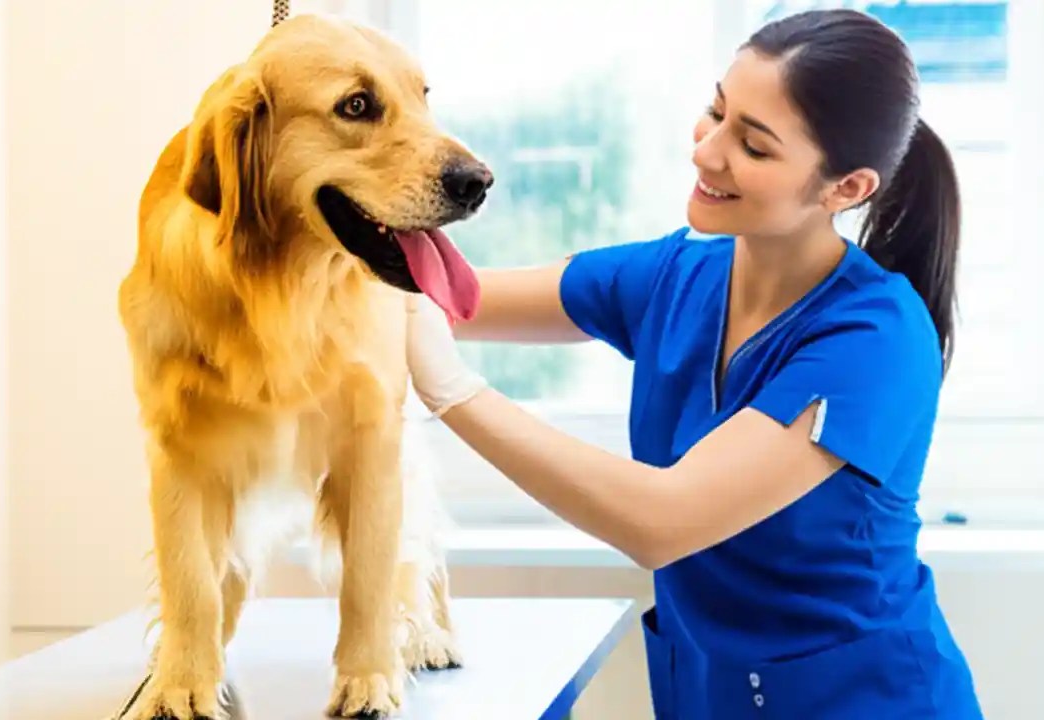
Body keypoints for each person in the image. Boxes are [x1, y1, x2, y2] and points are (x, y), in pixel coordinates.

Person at [404, 8, 983, 719]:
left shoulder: (875, 341)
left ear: (847, 188)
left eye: (755, 146)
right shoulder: (677, 275)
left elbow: (663, 521)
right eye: (715, 111)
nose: (707, 152)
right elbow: (455, 300)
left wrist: (453, 392)